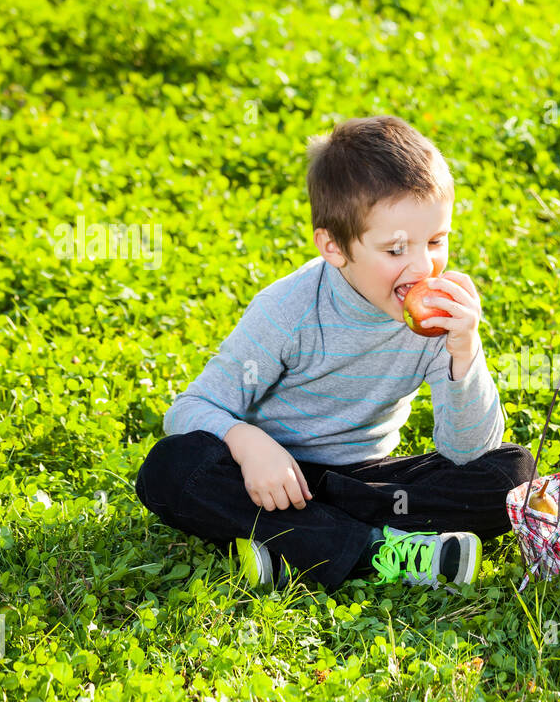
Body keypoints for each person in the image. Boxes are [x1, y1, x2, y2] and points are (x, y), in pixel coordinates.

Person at [135, 115, 533, 590]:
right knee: (172, 466)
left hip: (363, 485)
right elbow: (190, 409)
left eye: (436, 240)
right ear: (334, 247)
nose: (424, 265)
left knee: (512, 474)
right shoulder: (289, 310)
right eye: (395, 250)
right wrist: (246, 442)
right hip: (270, 479)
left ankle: (296, 545)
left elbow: (466, 451)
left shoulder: (440, 319)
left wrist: (464, 354)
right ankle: (378, 551)